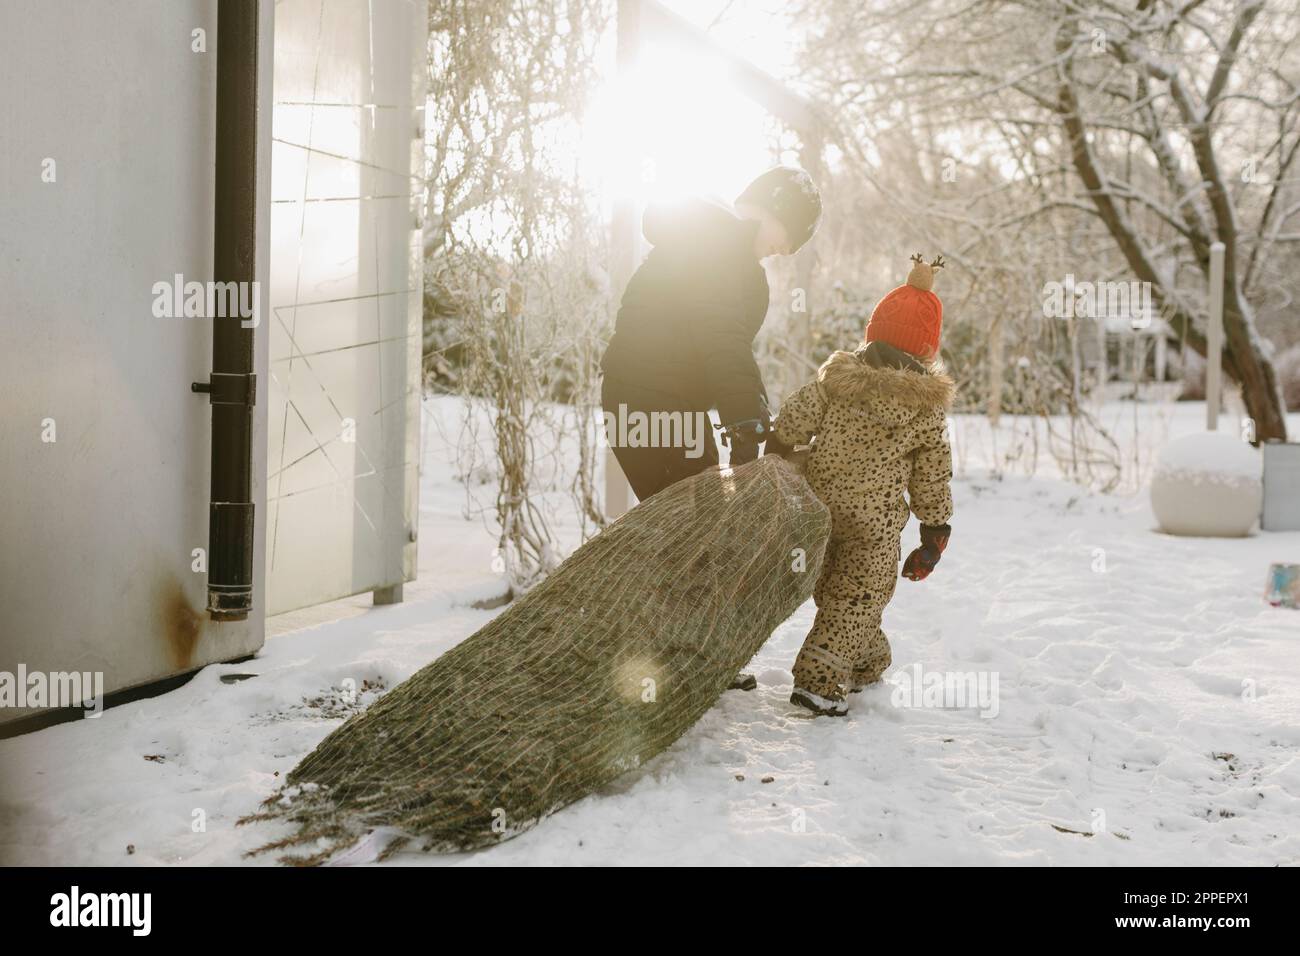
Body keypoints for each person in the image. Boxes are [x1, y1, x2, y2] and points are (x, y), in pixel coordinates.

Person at [767, 254, 956, 716]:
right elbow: (931, 475)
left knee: (838, 597)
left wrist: (776, 450)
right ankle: (818, 679)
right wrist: (934, 534)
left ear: (873, 331)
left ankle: (870, 660)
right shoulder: (926, 412)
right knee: (858, 597)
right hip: (874, 526)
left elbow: (794, 420)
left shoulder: (836, 382)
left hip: (817, 510)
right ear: (928, 349)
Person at [599, 166, 823, 502]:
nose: (787, 249)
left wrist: (754, 407)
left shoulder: (711, 242)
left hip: (648, 401)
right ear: (771, 208)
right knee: (697, 522)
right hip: (654, 403)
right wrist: (745, 422)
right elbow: (723, 339)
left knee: (685, 523)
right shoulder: (721, 249)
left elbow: (725, 343)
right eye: (788, 234)